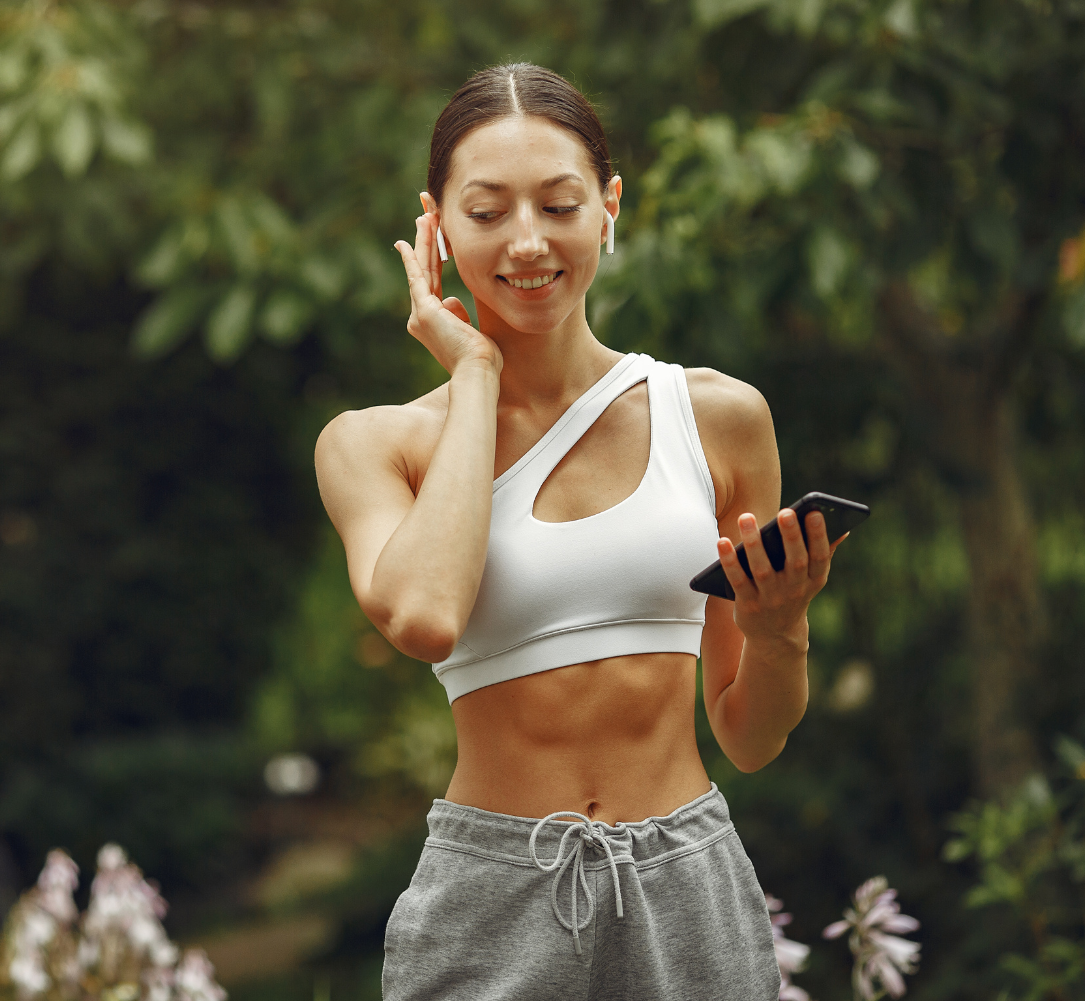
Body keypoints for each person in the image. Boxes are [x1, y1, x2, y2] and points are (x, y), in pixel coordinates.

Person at [313, 63, 842, 1000]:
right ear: (435, 223)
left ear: (609, 207)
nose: (527, 242)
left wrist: (777, 629)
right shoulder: (375, 445)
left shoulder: (717, 417)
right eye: (486, 213)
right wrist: (474, 368)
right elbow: (428, 616)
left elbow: (750, 736)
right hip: (494, 891)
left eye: (559, 205)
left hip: (689, 879)